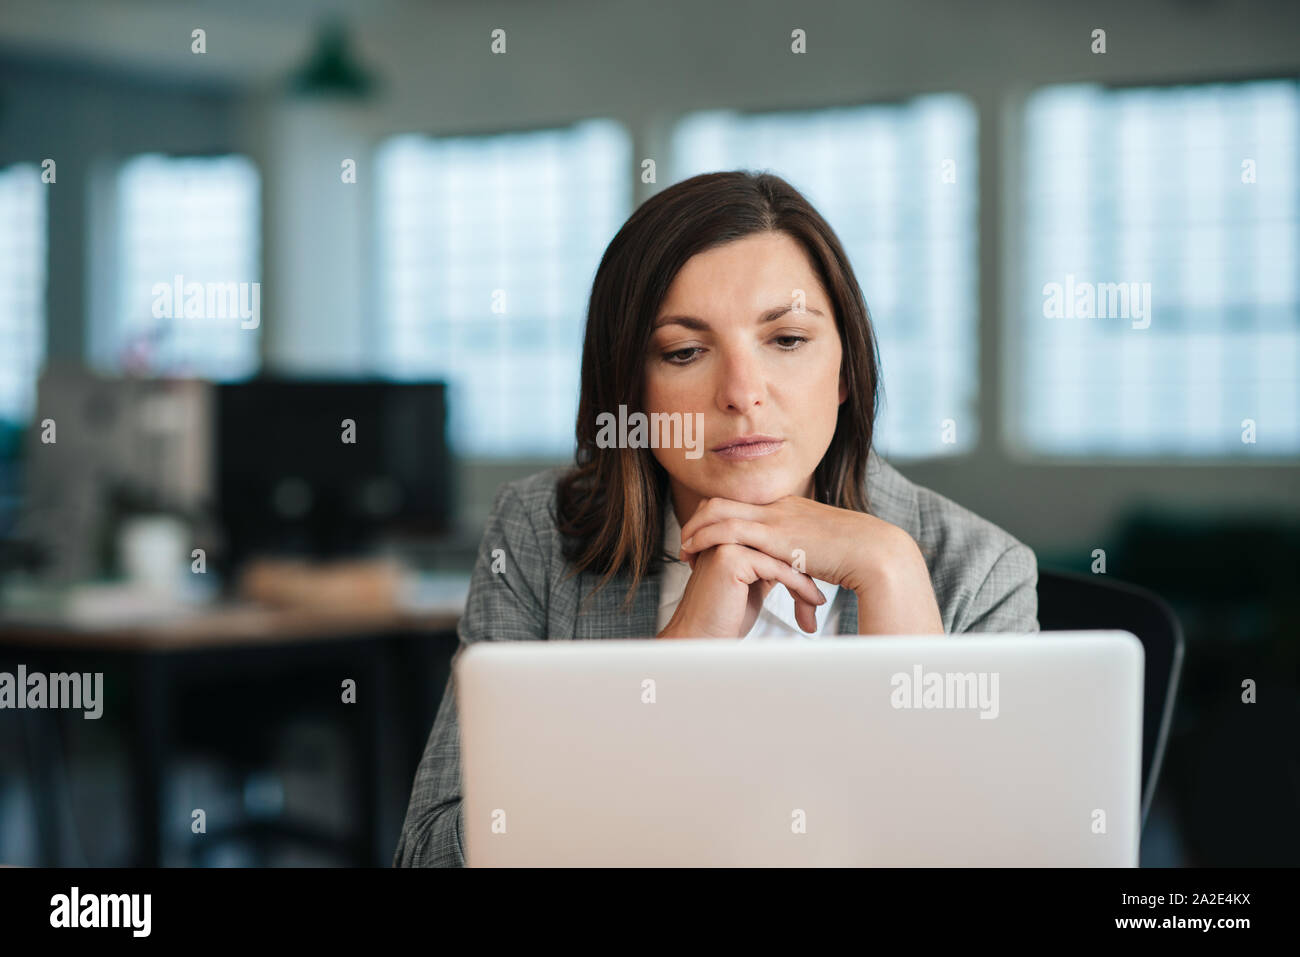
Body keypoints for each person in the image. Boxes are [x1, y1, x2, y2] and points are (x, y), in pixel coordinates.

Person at [393, 170, 1038, 867]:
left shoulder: (978, 568)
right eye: (684, 351)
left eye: (787, 340)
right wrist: (675, 663)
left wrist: (893, 576)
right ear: (630, 392)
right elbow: (432, 855)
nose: (741, 393)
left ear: (846, 370)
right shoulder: (538, 534)